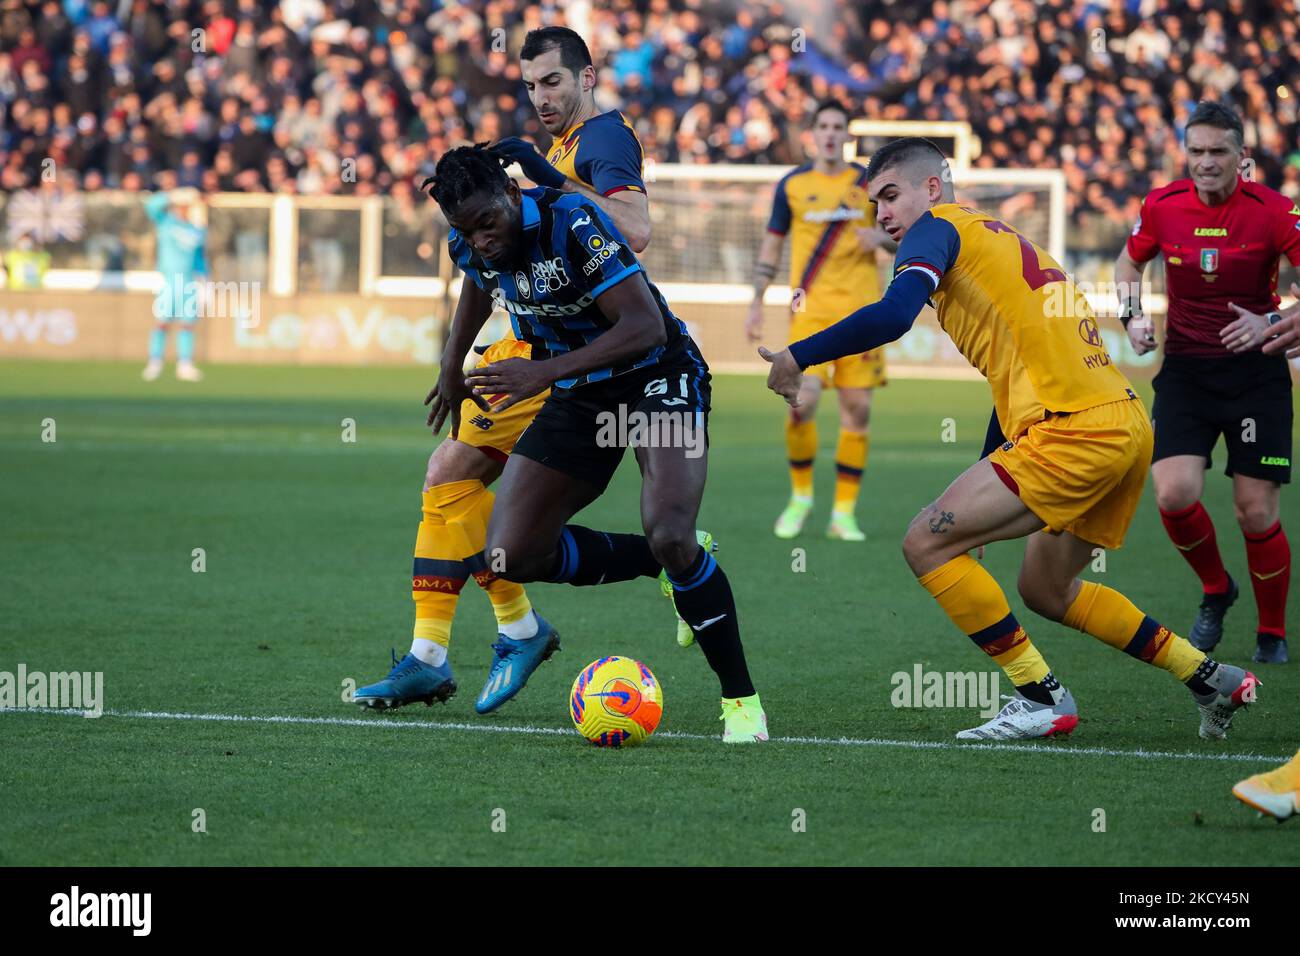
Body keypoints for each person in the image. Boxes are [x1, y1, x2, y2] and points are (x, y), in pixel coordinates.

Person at [761, 137, 1258, 741]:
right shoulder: (994, 236)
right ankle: (1210, 677)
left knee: (924, 544)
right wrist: (977, 494)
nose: (884, 214)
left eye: (892, 196)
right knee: (1046, 589)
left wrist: (799, 355)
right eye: (875, 205)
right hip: (1123, 423)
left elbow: (894, 316)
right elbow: (1010, 384)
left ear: (933, 188)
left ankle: (1041, 699)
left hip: (1073, 430)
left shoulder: (935, 229)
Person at [353, 27, 693, 715]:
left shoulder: (599, 141)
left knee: (459, 484)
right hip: (534, 348)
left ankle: (510, 630)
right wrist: (451, 358)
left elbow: (636, 228)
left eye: (554, 83)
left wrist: (548, 178)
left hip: (579, 356)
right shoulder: (555, 152)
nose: (541, 98)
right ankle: (461, 646)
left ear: (586, 77)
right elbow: (486, 261)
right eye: (532, 85)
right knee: (449, 477)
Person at [424, 143, 767, 743]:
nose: (480, 239)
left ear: (512, 195)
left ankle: (741, 702)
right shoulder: (472, 242)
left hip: (658, 374)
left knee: (670, 529)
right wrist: (451, 367)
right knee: (512, 556)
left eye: (487, 223)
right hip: (583, 392)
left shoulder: (572, 221)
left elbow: (644, 327)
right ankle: (667, 563)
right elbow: (478, 283)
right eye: (465, 230)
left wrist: (541, 373)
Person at [1114, 102, 1299, 664]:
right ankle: (1217, 588)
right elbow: (1128, 266)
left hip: (1257, 374)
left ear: (1242, 157)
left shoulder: (1276, 212)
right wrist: (1132, 316)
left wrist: (1271, 321)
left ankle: (1271, 633)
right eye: (1196, 151)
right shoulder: (1163, 206)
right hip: (1188, 370)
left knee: (1255, 512)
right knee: (1173, 493)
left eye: (1219, 151)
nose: (1206, 162)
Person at [745, 99, 895, 542]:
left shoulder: (868, 182)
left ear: (848, 135)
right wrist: (756, 300)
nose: (831, 134)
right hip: (809, 315)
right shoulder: (791, 185)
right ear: (813, 134)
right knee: (801, 405)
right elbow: (772, 246)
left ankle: (843, 514)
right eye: (823, 126)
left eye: (838, 127)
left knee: (858, 410)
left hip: (865, 314)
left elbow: (901, 233)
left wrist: (882, 239)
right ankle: (801, 498)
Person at [143, 187, 207, 382]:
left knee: (187, 325)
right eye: (182, 205)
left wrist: (205, 282)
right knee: (162, 323)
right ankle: (155, 363)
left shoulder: (197, 230)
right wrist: (170, 194)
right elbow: (150, 206)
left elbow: (199, 259)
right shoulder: (166, 222)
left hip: (188, 283)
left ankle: (185, 365)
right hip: (168, 281)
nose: (184, 209)